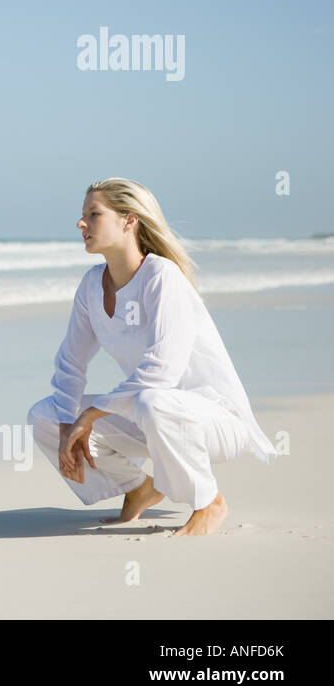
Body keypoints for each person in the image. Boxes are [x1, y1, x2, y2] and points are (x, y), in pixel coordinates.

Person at [27, 178, 278, 536]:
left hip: (213, 420)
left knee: (151, 400)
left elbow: (161, 372)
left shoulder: (162, 277)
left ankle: (208, 502)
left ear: (129, 221)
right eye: (82, 216)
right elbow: (70, 364)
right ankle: (139, 488)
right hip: (152, 415)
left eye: (93, 215)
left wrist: (90, 415)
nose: (81, 224)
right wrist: (69, 425)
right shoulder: (90, 286)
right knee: (46, 416)